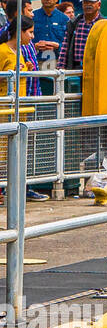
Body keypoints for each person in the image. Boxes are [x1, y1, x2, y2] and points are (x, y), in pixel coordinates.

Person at [0, 15, 49, 202]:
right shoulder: (3, 51)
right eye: (30, 32)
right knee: (3, 150)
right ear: (20, 32)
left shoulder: (19, 51)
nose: (33, 36)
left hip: (20, 109)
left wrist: (26, 69)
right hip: (5, 108)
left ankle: (14, 188)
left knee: (17, 150)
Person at [58, 0, 102, 73]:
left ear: (98, 5)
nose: (88, 5)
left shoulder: (103, 24)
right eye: (85, 2)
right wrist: (61, 68)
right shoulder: (73, 23)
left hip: (95, 69)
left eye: (91, 2)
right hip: (75, 68)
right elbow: (65, 46)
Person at [33, 0, 68, 76]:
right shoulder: (32, 17)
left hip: (57, 62)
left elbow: (69, 43)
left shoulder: (64, 19)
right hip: (36, 61)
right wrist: (34, 46)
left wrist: (58, 46)